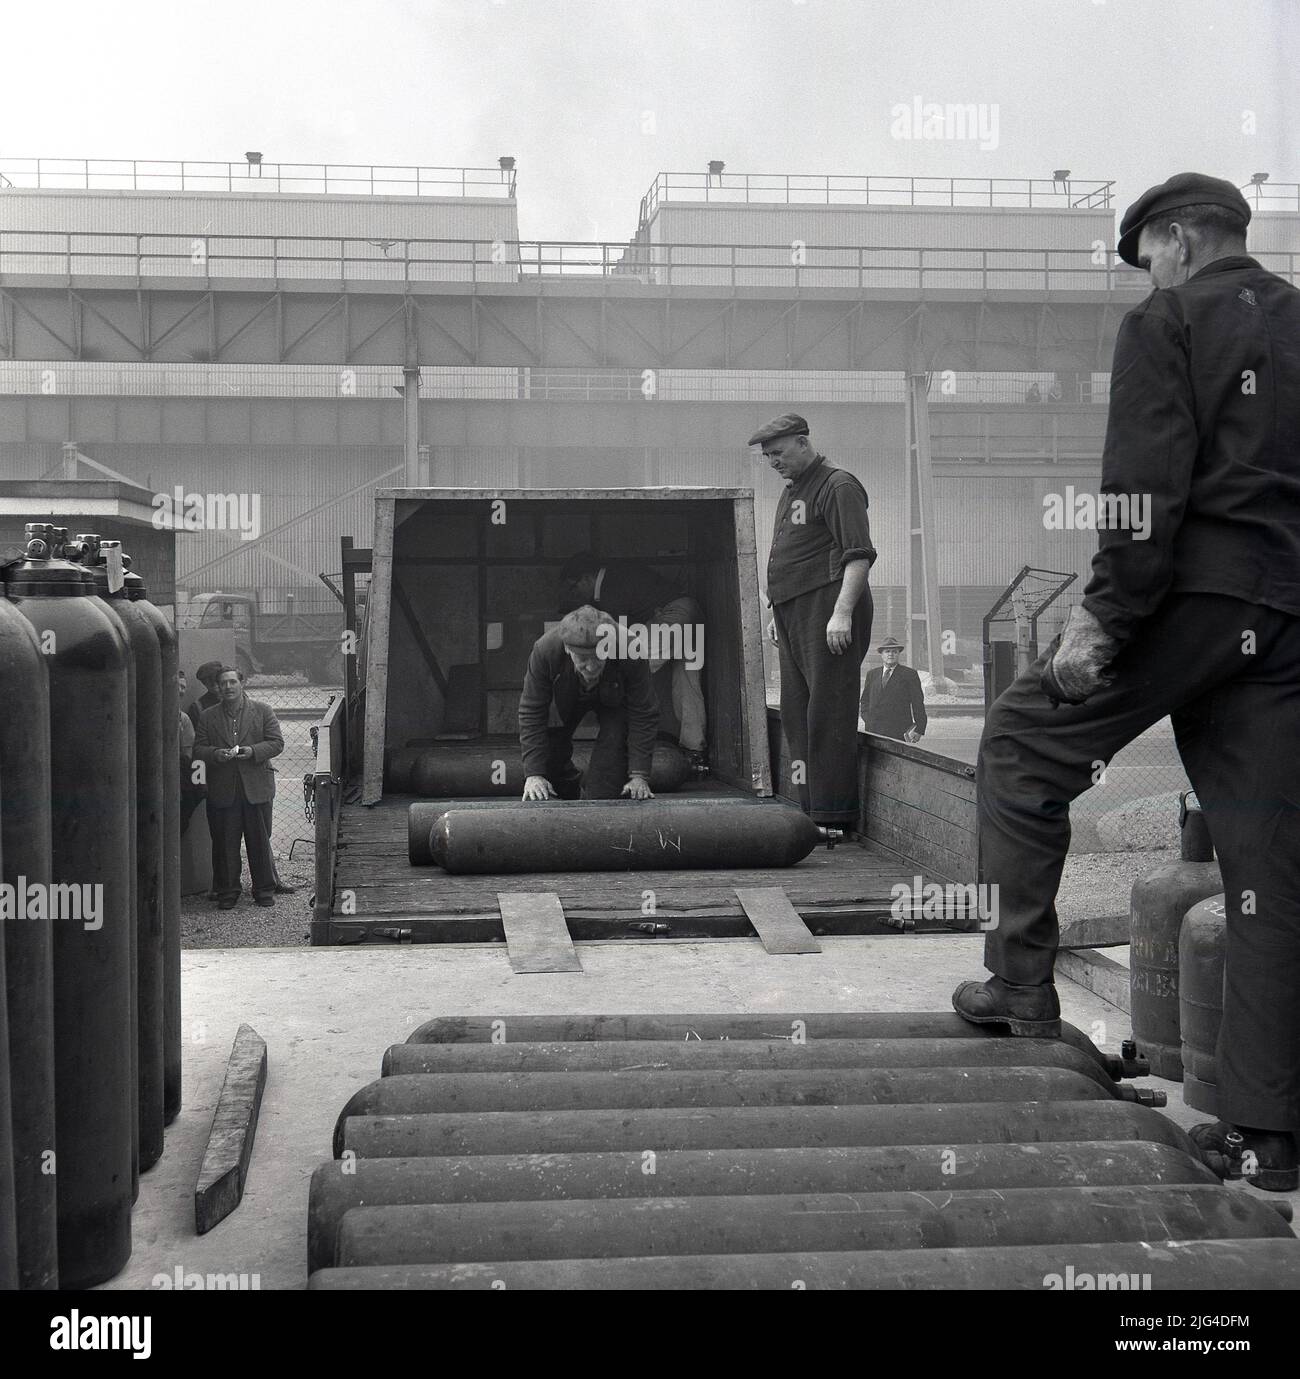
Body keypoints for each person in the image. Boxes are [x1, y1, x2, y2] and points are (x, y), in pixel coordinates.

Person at [950, 172, 1300, 1192]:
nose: (1143, 273)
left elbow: (1145, 484)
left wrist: (1104, 615)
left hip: (1194, 595)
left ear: (1179, 242)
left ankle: (1019, 986)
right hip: (1283, 617)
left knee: (1020, 743)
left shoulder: (1168, 321)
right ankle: (1269, 1137)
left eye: (1144, 253)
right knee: (1266, 869)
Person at [752, 413, 875, 828]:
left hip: (827, 609)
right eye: (768, 456)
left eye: (779, 453)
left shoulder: (839, 485)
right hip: (793, 612)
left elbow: (857, 555)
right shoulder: (794, 489)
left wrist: (842, 613)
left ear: (803, 443)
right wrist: (777, 611)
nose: (773, 462)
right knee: (796, 712)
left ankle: (834, 815)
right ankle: (810, 810)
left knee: (828, 713)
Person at [560, 551, 707, 763]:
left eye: (575, 587)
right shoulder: (618, 575)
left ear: (587, 578)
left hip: (674, 616)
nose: (577, 594)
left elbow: (617, 640)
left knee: (629, 672)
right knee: (687, 684)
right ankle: (695, 751)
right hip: (691, 613)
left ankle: (623, 742)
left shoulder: (610, 584)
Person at [518, 604, 658, 802]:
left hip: (615, 701)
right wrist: (533, 774)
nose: (591, 667)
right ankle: (568, 786)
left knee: (609, 769)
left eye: (599, 656)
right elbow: (531, 711)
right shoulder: (545, 650)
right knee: (550, 761)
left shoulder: (630, 647)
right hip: (565, 695)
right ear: (567, 649)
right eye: (583, 658)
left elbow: (643, 712)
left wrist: (639, 775)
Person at [193, 666, 284, 909]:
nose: (228, 687)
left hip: (256, 788)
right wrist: (216, 755)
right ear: (218, 688)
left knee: (259, 842)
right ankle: (228, 892)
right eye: (223, 683)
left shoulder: (262, 711)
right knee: (224, 844)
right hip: (223, 791)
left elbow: (276, 743)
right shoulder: (208, 716)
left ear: (241, 684)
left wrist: (253, 751)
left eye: (233, 682)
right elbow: (198, 750)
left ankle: (264, 890)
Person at [860, 637, 927, 743]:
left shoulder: (909, 674)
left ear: (898, 654)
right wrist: (868, 719)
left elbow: (918, 703)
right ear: (881, 655)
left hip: (899, 730)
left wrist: (919, 729)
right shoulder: (872, 674)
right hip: (873, 730)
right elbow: (864, 700)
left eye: (894, 652)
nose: (891, 654)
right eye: (887, 651)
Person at [177, 668, 206, 836]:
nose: (181, 691)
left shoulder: (183, 719)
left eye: (183, 687)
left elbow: (188, 755)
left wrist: (200, 785)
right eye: (178, 686)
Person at [186, 660, 224, 731]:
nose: (216, 685)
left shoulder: (235, 699)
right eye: (210, 682)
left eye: (217, 680)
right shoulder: (197, 707)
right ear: (205, 684)